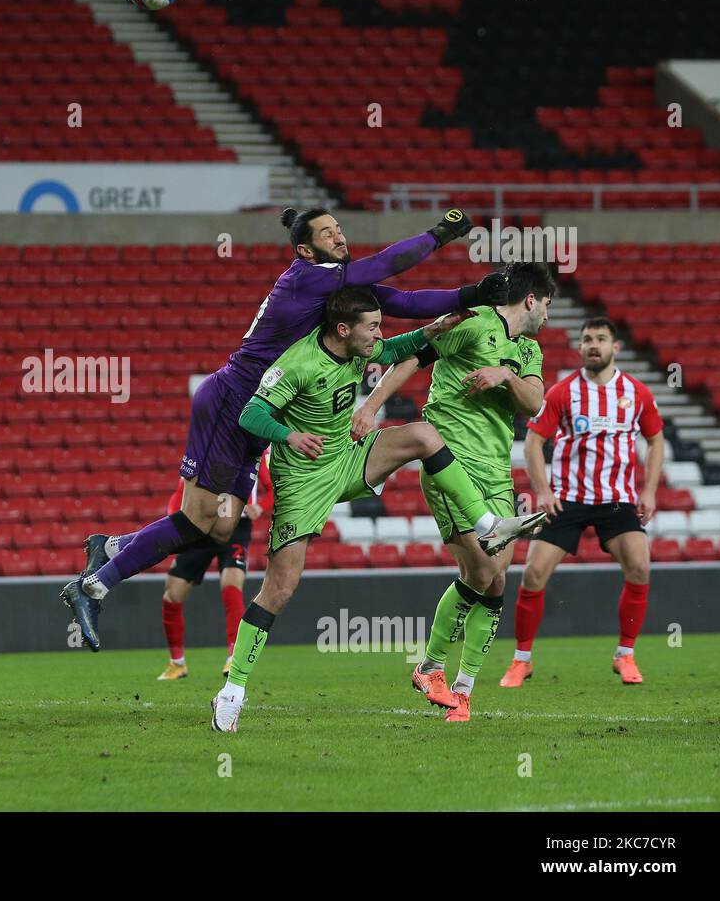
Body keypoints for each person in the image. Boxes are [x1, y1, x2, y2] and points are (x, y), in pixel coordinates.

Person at [64, 207, 510, 651]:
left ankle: (114, 547)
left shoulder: (336, 288)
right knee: (200, 517)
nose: (339, 236)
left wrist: (470, 295)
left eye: (339, 228)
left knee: (220, 529)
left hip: (259, 411)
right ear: (304, 248)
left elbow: (403, 303)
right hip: (233, 403)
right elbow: (386, 265)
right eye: (327, 233)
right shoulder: (308, 278)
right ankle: (93, 586)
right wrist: (439, 235)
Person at [209, 287, 546, 732]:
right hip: (305, 479)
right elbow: (251, 415)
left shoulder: (356, 347)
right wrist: (288, 437)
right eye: (372, 327)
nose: (378, 336)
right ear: (344, 329)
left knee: (424, 435)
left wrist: (433, 329)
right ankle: (233, 690)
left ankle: (489, 524)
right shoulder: (298, 362)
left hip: (347, 456)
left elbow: (398, 348)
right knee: (279, 589)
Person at [352, 261, 556, 722]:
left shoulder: (528, 351)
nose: (548, 315)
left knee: (495, 576)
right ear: (530, 299)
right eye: (547, 304)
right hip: (451, 462)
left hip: (497, 471)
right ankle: (430, 667)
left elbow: (536, 401)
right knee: (484, 568)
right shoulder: (475, 321)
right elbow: (413, 355)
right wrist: (371, 407)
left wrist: (504, 376)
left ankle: (459, 688)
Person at [501, 316, 663, 687]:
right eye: (588, 338)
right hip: (569, 499)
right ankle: (521, 659)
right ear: (581, 346)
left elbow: (656, 440)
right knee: (533, 573)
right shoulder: (563, 391)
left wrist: (649, 490)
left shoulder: (637, 392)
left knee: (640, 566)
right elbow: (533, 442)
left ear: (615, 347)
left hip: (618, 500)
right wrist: (543, 490)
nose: (593, 344)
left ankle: (625, 655)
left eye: (601, 339)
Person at [157, 447, 272, 681]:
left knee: (230, 585)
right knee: (172, 594)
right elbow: (180, 493)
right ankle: (176, 663)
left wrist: (260, 507)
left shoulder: (253, 451)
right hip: (201, 528)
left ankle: (233, 655)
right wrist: (176, 524)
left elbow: (272, 488)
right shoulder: (204, 449)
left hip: (236, 528)